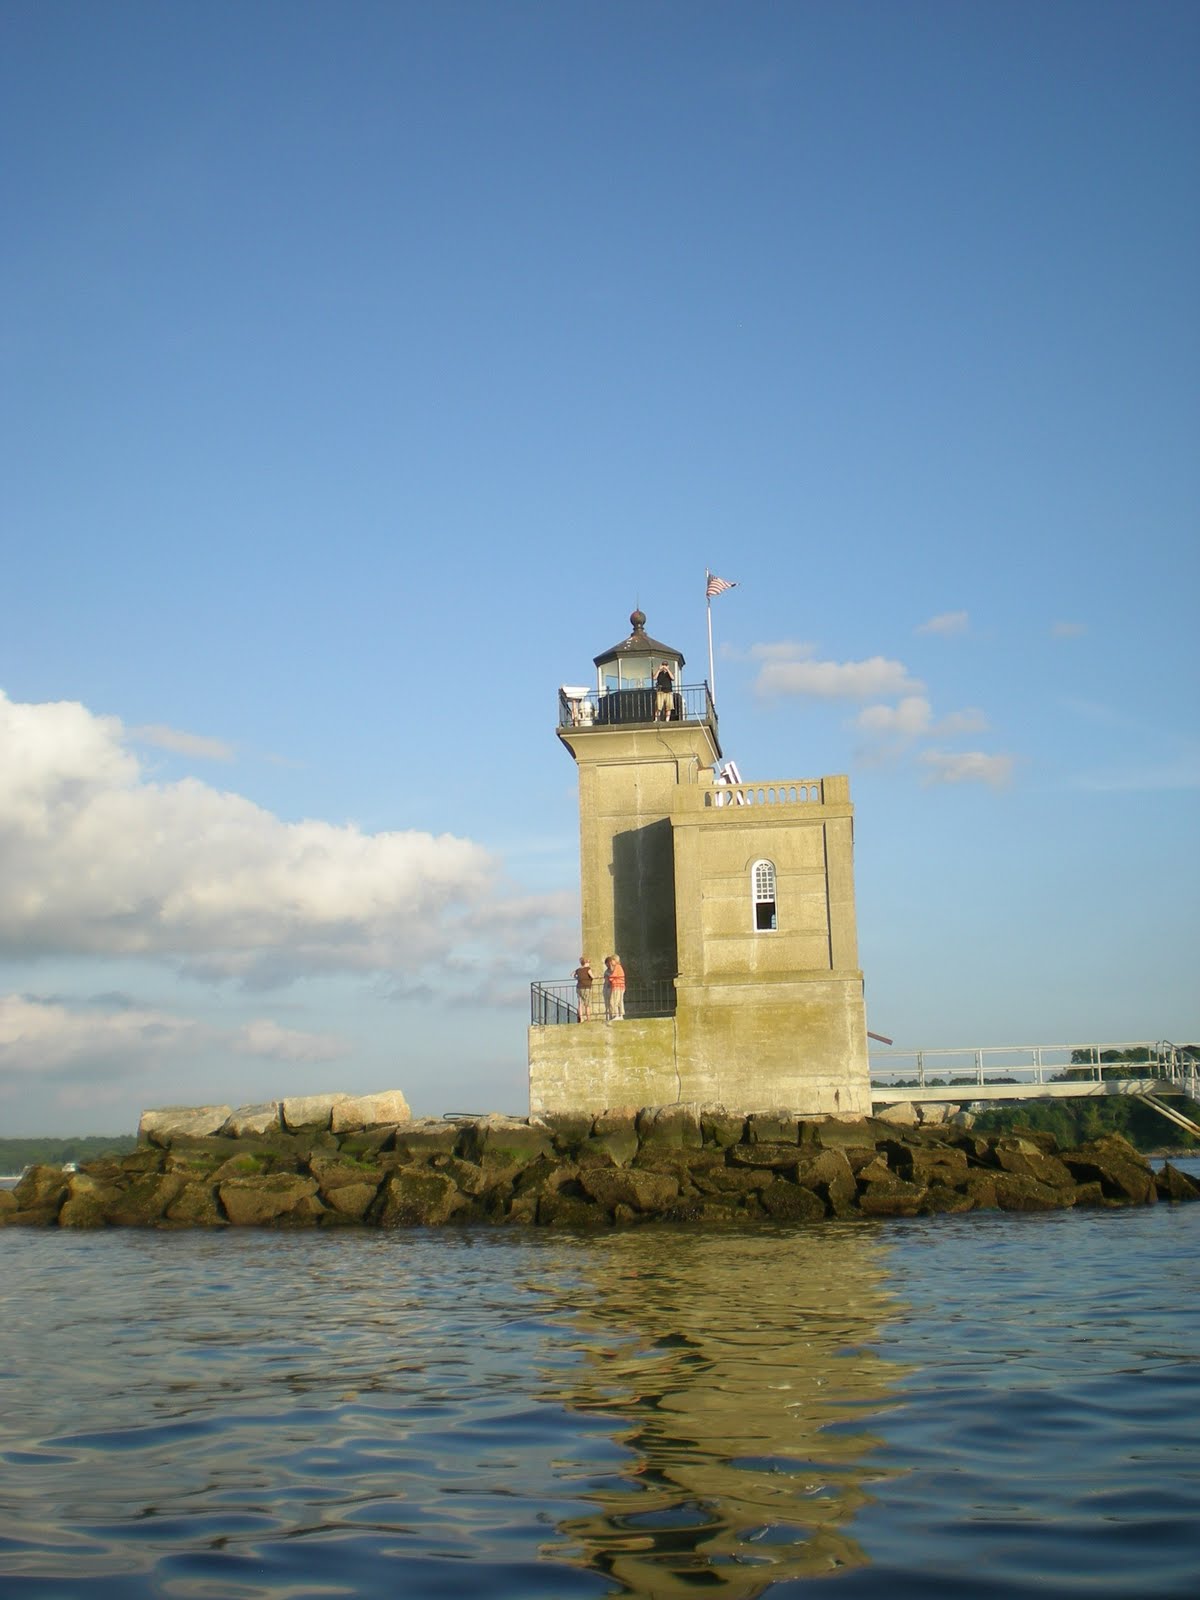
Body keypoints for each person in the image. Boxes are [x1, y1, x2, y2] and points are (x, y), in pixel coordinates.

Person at [604, 953, 626, 1020]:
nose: (610, 962)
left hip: (617, 986)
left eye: (611, 960)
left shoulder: (617, 966)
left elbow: (613, 975)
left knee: (613, 1001)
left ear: (615, 960)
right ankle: (620, 1015)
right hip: (620, 986)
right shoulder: (618, 967)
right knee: (619, 1001)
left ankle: (616, 1015)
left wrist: (609, 977)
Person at [572, 956, 594, 1021]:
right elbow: (592, 976)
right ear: (586, 963)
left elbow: (572, 975)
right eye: (589, 962)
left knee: (580, 1003)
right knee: (587, 1004)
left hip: (579, 987)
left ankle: (581, 1018)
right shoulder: (588, 969)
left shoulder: (578, 969)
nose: (589, 964)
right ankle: (588, 1018)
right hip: (586, 987)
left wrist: (577, 978)